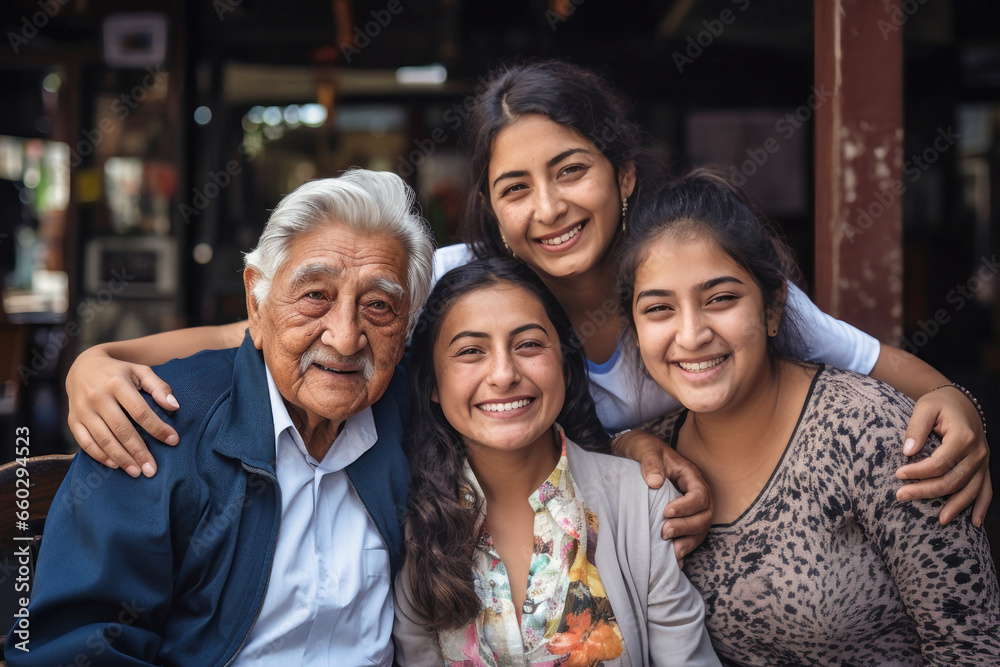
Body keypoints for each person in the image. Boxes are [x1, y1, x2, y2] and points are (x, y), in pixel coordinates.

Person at [63, 62, 989, 556]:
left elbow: (872, 362)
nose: (547, 208)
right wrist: (95, 362)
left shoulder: (689, 281)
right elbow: (260, 332)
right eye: (516, 186)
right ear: (491, 208)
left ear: (623, 176)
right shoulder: (465, 281)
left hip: (656, 554)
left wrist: (953, 397)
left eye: (572, 171)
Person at [5, 169, 435, 666]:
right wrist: (91, 359)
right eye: (315, 295)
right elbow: (77, 645)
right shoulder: (157, 423)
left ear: (405, 329)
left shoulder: (413, 417)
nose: (343, 337)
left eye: (379, 305)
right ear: (258, 302)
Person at [615, 169, 1000, 665]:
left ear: (774, 308)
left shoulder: (872, 433)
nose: (691, 335)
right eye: (659, 309)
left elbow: (972, 645)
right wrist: (624, 444)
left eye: (721, 299)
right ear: (636, 330)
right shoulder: (650, 466)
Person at [392, 257, 720, 666]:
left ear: (564, 362)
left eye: (528, 344)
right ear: (433, 385)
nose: (504, 374)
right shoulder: (413, 527)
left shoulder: (642, 502)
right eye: (471, 351)